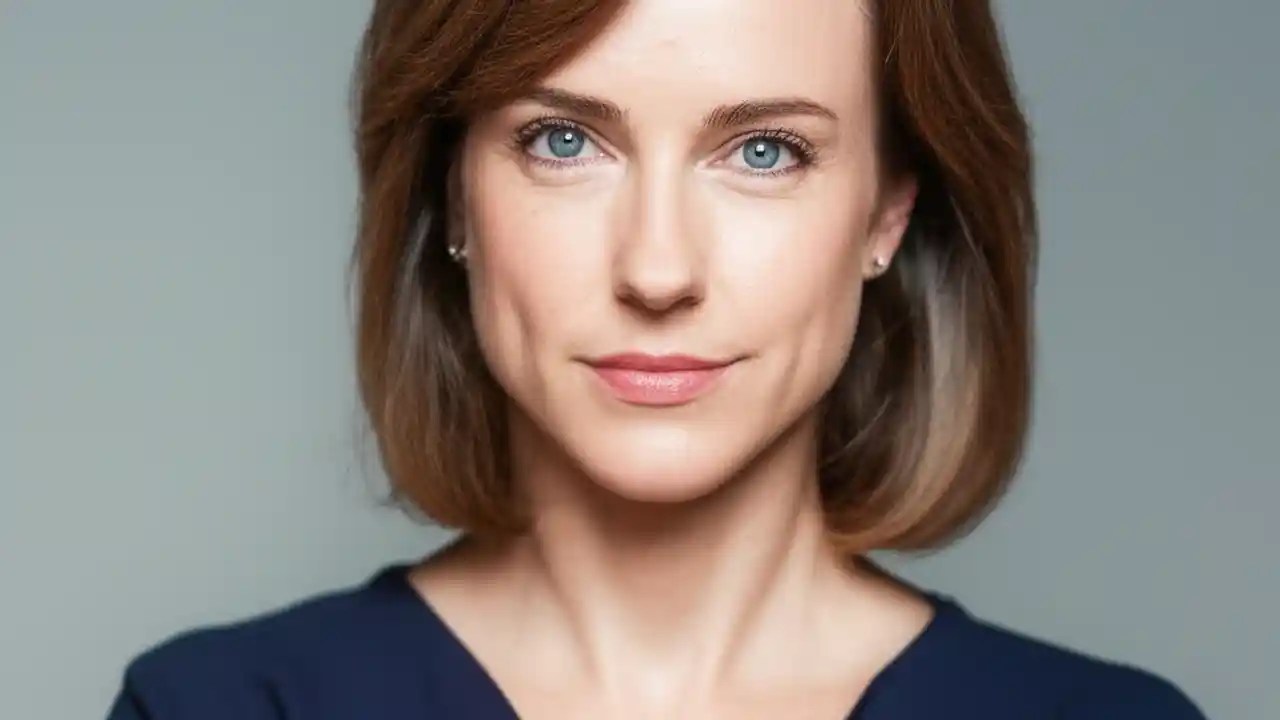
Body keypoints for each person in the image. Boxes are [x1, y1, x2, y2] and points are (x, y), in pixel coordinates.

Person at [107, 0, 1207, 717]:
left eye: (765, 152)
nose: (657, 267)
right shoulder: (220, 707)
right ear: (453, 195)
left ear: (885, 214)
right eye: (562, 140)